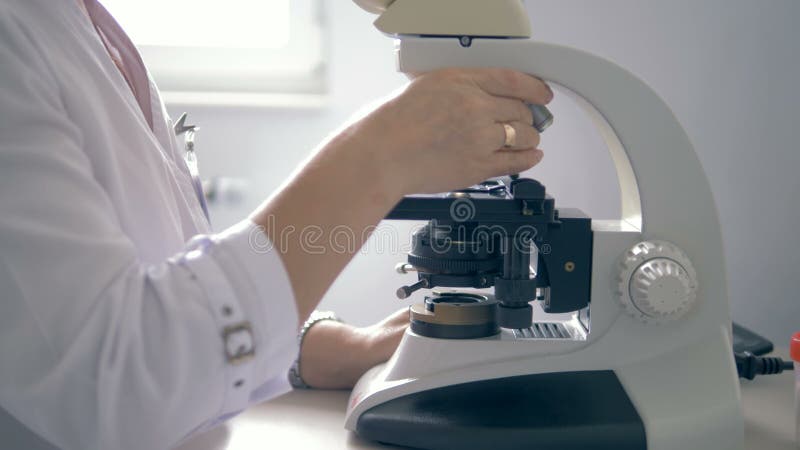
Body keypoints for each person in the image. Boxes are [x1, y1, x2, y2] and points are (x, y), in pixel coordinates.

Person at [0, 1, 552, 449]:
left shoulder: (87, 26)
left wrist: (305, 348)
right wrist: (378, 155)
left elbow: (150, 286)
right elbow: (109, 388)